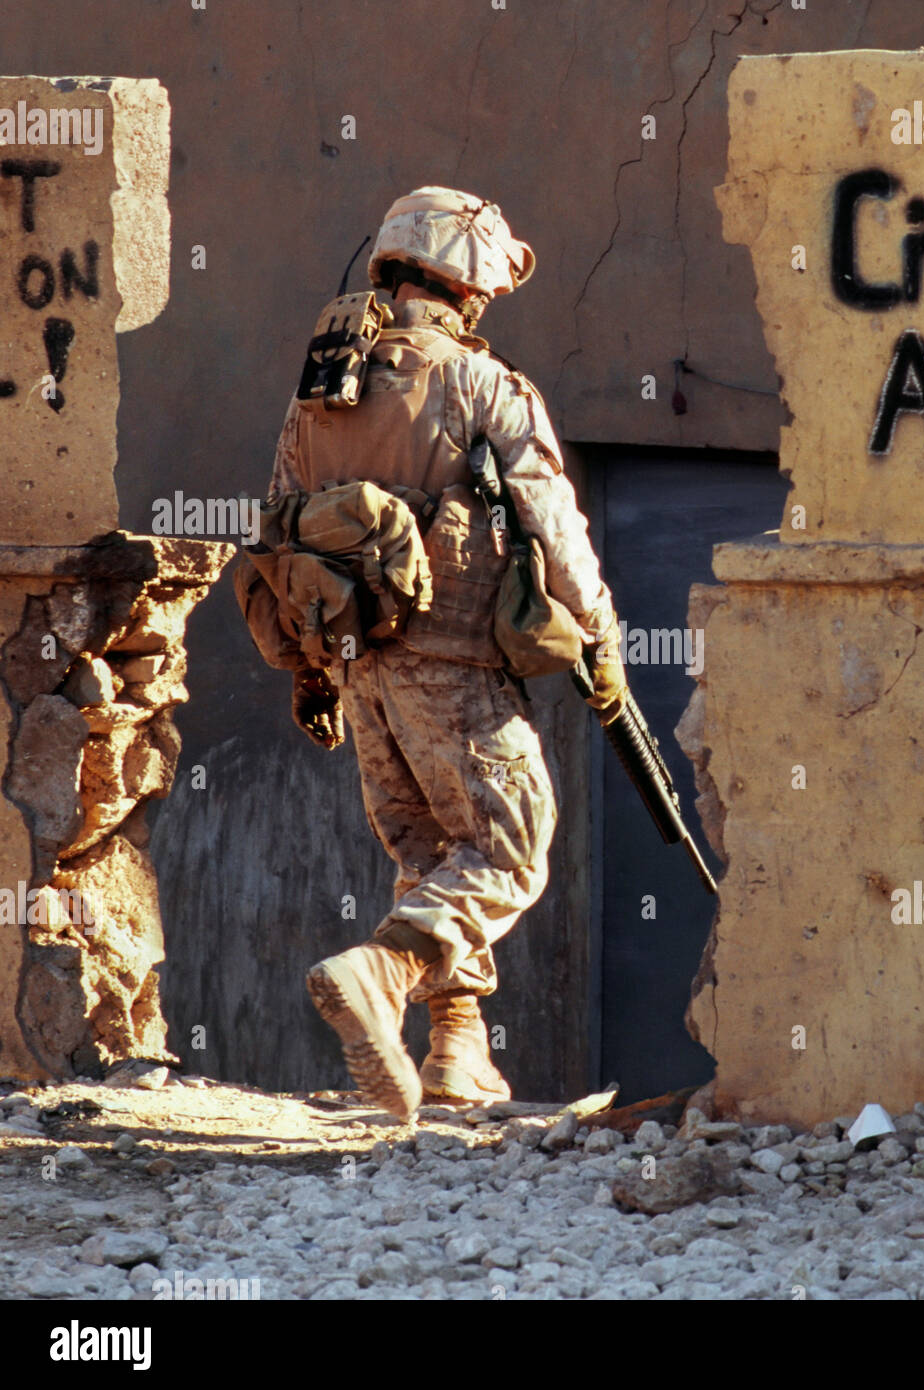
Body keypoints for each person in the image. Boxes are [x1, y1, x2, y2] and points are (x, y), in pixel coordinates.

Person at [268, 187, 626, 1121]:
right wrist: (601, 636)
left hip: (357, 667)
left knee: (433, 857)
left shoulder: (323, 386)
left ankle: (457, 1053)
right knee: (510, 846)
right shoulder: (480, 384)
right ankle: (380, 972)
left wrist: (314, 669)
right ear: (468, 284)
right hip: (452, 662)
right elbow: (552, 520)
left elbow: (279, 533)